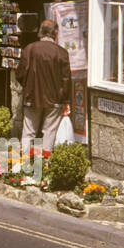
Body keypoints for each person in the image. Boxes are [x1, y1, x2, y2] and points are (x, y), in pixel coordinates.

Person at [17, 18, 72, 155]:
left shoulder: (29, 49)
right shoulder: (62, 53)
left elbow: (20, 73)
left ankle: (24, 164)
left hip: (32, 96)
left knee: (28, 132)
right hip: (54, 100)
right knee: (49, 133)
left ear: (41, 32)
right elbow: (66, 79)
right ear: (55, 33)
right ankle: (44, 165)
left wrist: (28, 86)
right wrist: (65, 100)